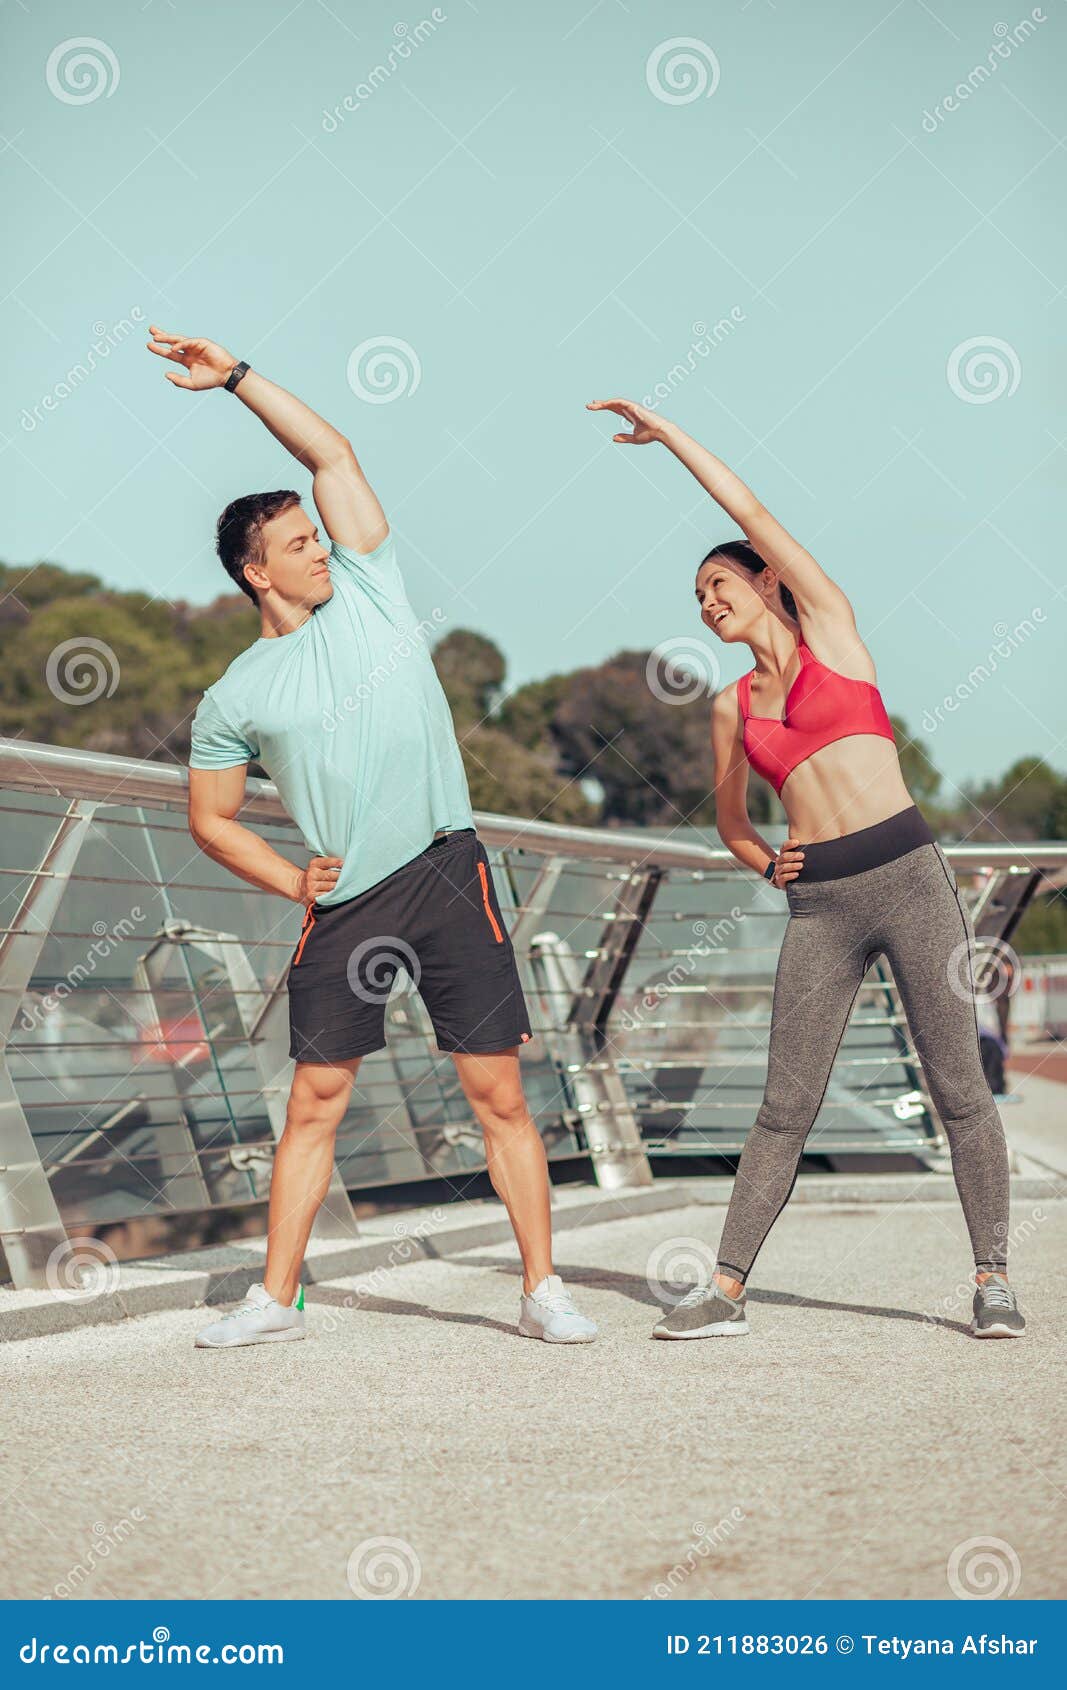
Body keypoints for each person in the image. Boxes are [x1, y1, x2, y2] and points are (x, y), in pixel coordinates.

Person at [151, 326, 596, 1347]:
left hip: (447, 869)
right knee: (315, 1099)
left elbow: (332, 454)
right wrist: (290, 882)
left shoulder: (371, 591)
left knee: (495, 1091)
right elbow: (211, 820)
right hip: (347, 901)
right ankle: (275, 1296)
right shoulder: (234, 694)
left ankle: (540, 1289)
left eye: (316, 535)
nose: (318, 546)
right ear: (256, 573)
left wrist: (236, 381)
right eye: (298, 544)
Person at [588, 397, 1025, 1342]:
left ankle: (991, 1278)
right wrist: (767, 865)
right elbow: (733, 824)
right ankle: (724, 1290)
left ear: (766, 581)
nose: (708, 602)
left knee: (957, 1086)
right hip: (819, 905)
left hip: (909, 880)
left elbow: (746, 507)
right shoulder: (728, 705)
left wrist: (666, 437)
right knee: (785, 1102)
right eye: (697, 597)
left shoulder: (832, 628)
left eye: (719, 583)